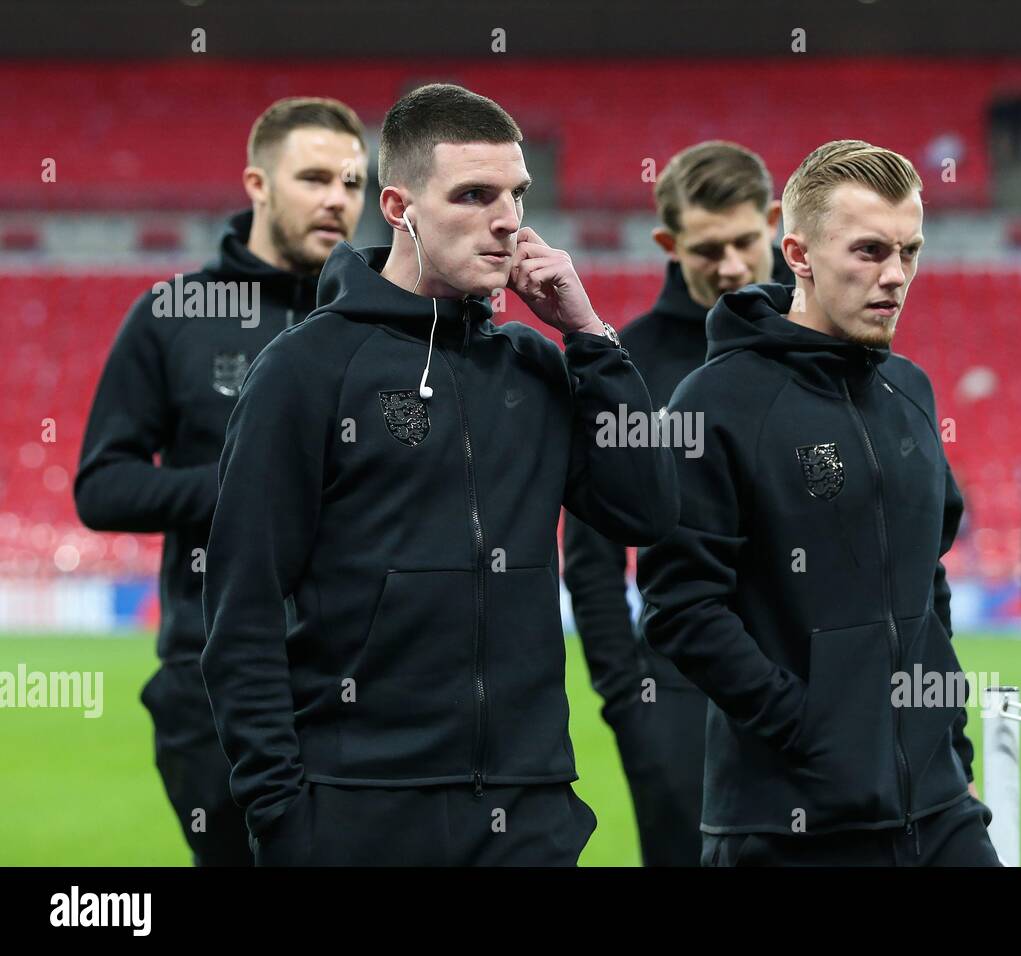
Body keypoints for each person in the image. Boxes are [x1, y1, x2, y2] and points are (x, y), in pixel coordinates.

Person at [199, 82, 678, 866]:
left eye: (517, 195)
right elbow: (242, 607)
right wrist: (283, 815)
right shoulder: (305, 369)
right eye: (474, 195)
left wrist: (592, 339)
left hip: (530, 812)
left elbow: (650, 512)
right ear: (399, 206)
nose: (508, 220)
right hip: (360, 812)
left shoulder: (534, 366)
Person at [638, 140, 997, 867]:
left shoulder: (912, 393)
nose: (895, 276)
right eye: (868, 250)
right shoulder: (714, 402)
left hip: (937, 806)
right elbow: (679, 606)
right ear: (797, 253)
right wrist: (809, 725)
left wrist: (946, 726)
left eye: (909, 251)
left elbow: (926, 578)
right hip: (791, 822)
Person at [74, 97, 368, 866]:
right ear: (257, 183)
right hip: (213, 682)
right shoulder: (173, 315)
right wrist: (253, 489)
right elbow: (102, 487)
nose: (337, 198)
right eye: (313, 177)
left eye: (352, 182)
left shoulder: (387, 321)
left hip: (367, 683)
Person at [563, 140, 790, 866]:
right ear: (667, 243)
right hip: (677, 697)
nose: (728, 266)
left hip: (818, 674)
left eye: (745, 242)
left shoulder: (828, 336)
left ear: (778, 222)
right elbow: (592, 559)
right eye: (706, 248)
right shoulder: (627, 365)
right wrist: (627, 706)